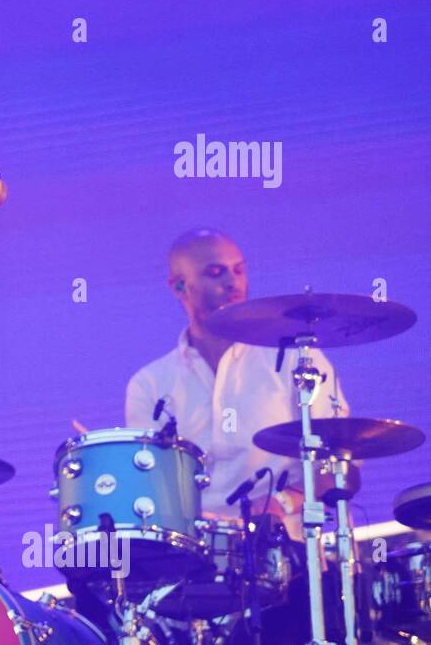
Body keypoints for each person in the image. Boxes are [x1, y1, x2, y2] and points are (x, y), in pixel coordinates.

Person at [125, 228, 350, 542]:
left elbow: (338, 460)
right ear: (179, 286)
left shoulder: (296, 360)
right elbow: (150, 485)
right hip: (196, 554)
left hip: (287, 547)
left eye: (239, 270)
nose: (232, 282)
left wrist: (281, 502)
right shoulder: (149, 384)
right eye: (215, 273)